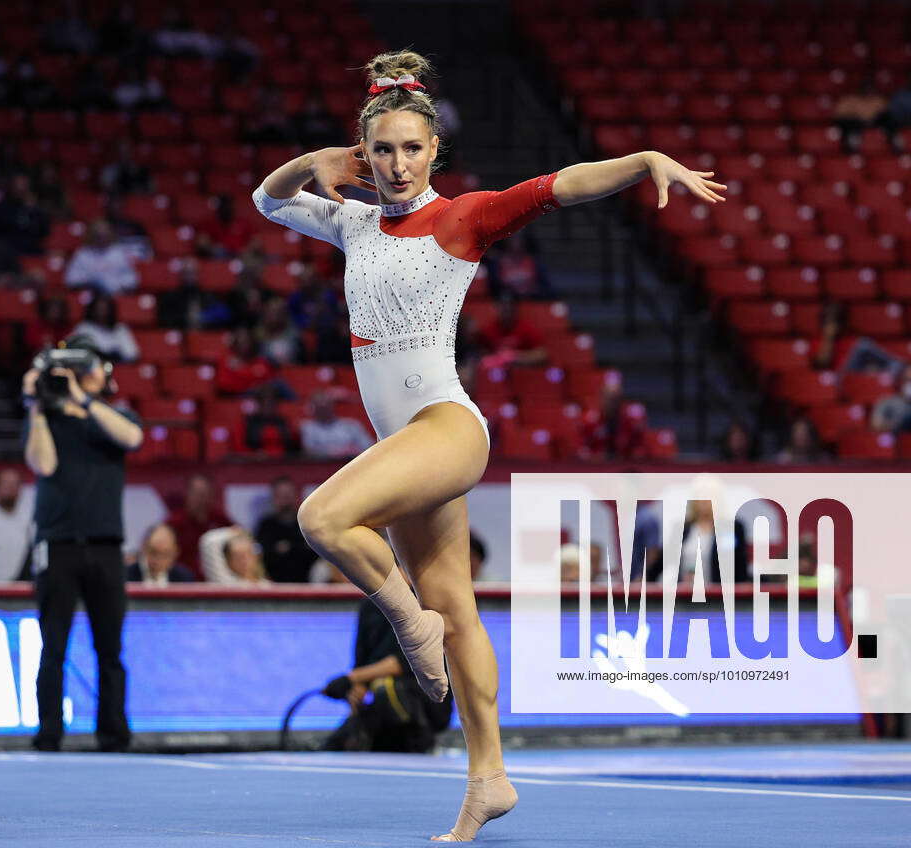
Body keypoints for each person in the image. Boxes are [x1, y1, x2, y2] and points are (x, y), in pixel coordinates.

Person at [251, 48, 725, 841]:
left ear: (434, 149)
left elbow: (560, 185)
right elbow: (267, 202)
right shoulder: (354, 222)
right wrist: (310, 162)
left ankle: (409, 626)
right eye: (382, 150)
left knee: (323, 520)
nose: (397, 164)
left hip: (446, 426)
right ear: (362, 155)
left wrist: (642, 160)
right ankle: (488, 777)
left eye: (411, 148)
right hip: (408, 445)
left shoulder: (464, 216)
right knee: (459, 613)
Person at [21, 335, 143, 752]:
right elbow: (44, 464)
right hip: (58, 544)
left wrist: (85, 402)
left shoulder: (111, 415)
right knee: (52, 644)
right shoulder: (46, 418)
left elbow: (132, 438)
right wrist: (37, 405)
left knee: (109, 646)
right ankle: (49, 733)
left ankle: (113, 733)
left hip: (107, 545)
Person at [323, 561, 453, 753]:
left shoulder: (421, 604)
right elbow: (361, 659)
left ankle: (419, 739)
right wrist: (356, 689)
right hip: (379, 696)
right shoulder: (368, 606)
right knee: (336, 745)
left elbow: (403, 662)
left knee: (387, 686)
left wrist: (351, 678)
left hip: (421, 695)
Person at [253, 476, 318, 583]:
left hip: (307, 583)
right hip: (273, 584)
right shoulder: (266, 525)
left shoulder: (307, 523)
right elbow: (262, 554)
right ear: (274, 498)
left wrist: (288, 548)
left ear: (296, 496)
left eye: (288, 495)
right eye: (281, 496)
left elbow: (314, 552)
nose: (285, 500)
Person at [166, 474, 231, 580]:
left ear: (212, 495)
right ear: (188, 494)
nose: (201, 499)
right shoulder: (175, 523)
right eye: (197, 494)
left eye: (205, 494)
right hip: (183, 581)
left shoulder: (219, 520)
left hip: (218, 580)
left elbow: (239, 534)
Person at [65, 219, 138, 295]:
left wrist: (118, 288)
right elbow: (71, 279)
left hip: (115, 295)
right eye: (98, 235)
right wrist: (92, 283)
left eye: (104, 234)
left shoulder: (119, 253)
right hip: (89, 295)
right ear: (91, 235)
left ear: (110, 233)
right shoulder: (83, 254)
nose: (101, 238)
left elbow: (131, 280)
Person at [299, 392, 373, 459]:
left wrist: (354, 450)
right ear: (312, 408)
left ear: (332, 406)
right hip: (324, 468)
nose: (324, 410)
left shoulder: (351, 425)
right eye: (320, 407)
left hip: (354, 464)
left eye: (326, 405)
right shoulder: (308, 427)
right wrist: (334, 452)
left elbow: (370, 447)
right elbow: (309, 451)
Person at [69, 292, 140, 363]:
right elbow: (74, 352)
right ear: (92, 309)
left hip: (117, 367)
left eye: (105, 308)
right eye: (98, 308)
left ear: (111, 310)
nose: (102, 312)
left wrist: (113, 355)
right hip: (90, 368)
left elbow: (132, 354)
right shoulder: (83, 328)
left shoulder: (120, 329)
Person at [126, 523, 195, 585]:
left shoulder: (184, 578)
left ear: (175, 553)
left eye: (165, 554)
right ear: (143, 548)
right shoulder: (125, 576)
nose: (158, 560)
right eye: (153, 552)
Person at [198, 526, 270, 585]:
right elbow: (208, 542)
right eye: (238, 556)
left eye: (248, 554)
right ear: (228, 561)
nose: (244, 560)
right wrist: (229, 532)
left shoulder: (266, 585)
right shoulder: (226, 584)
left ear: (256, 556)